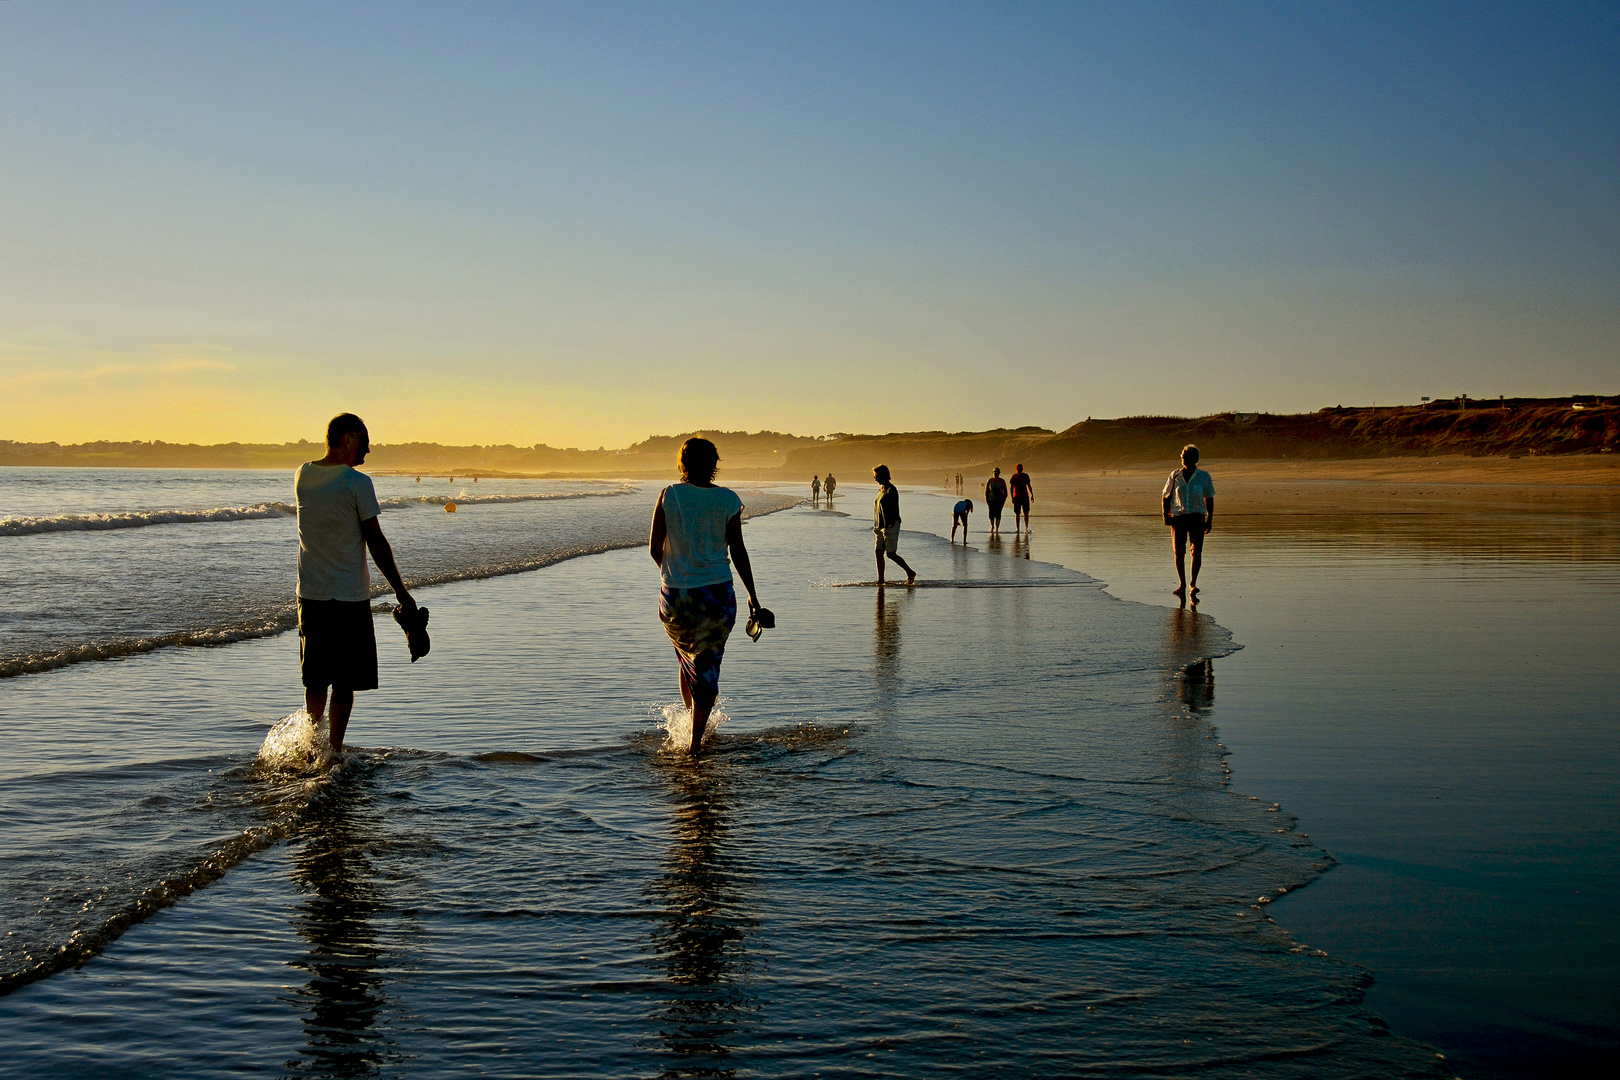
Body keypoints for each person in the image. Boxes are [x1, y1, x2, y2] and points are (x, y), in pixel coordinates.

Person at [295, 413, 416, 755]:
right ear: (348, 439)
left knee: (316, 679)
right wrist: (402, 593)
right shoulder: (357, 483)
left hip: (310, 594)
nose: (368, 450)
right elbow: (376, 541)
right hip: (348, 596)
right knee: (344, 682)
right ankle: (332, 751)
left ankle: (310, 747)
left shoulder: (303, 475)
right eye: (364, 441)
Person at [649, 438, 763, 756]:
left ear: (682, 463)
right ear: (714, 464)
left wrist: (676, 574)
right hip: (716, 595)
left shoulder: (669, 494)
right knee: (707, 664)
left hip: (675, 598)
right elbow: (737, 550)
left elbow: (654, 548)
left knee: (689, 660)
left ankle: (693, 725)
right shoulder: (727, 499)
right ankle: (696, 744)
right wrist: (753, 597)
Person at [1162, 444, 1215, 599]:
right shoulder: (1175, 475)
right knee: (1179, 552)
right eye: (1183, 456)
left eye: (1187, 457)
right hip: (1178, 518)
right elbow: (1166, 496)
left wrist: (1210, 519)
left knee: (1196, 551)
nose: (1184, 459)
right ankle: (1182, 584)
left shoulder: (1204, 476)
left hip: (1197, 517)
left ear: (1195, 459)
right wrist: (1165, 515)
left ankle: (1193, 584)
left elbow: (1209, 498)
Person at [872, 465, 917, 585]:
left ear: (882, 475)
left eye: (876, 476)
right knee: (878, 552)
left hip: (891, 525)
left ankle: (910, 572)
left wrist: (889, 525)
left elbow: (893, 509)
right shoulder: (881, 490)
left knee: (891, 554)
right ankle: (881, 580)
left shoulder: (892, 490)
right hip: (879, 526)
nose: (875, 478)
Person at [1009, 464, 1034, 533]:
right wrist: (1012, 497)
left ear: (1022, 469)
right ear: (1016, 469)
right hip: (1017, 497)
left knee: (1026, 512)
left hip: (1025, 496)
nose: (1019, 470)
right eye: (1018, 469)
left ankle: (1026, 527)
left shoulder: (1025, 476)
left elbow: (1029, 485)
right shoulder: (1014, 477)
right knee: (1017, 513)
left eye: (1020, 469)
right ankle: (1018, 529)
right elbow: (1011, 488)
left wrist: (1032, 494)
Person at [984, 468, 1008, 534]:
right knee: (991, 514)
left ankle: (997, 528)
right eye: (995, 473)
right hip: (991, 500)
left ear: (999, 473)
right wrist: (987, 499)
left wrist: (1004, 499)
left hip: (1000, 500)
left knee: (998, 514)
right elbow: (987, 491)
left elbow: (1005, 491)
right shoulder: (990, 480)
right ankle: (992, 526)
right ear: (993, 473)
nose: (996, 474)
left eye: (997, 473)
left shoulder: (1002, 481)